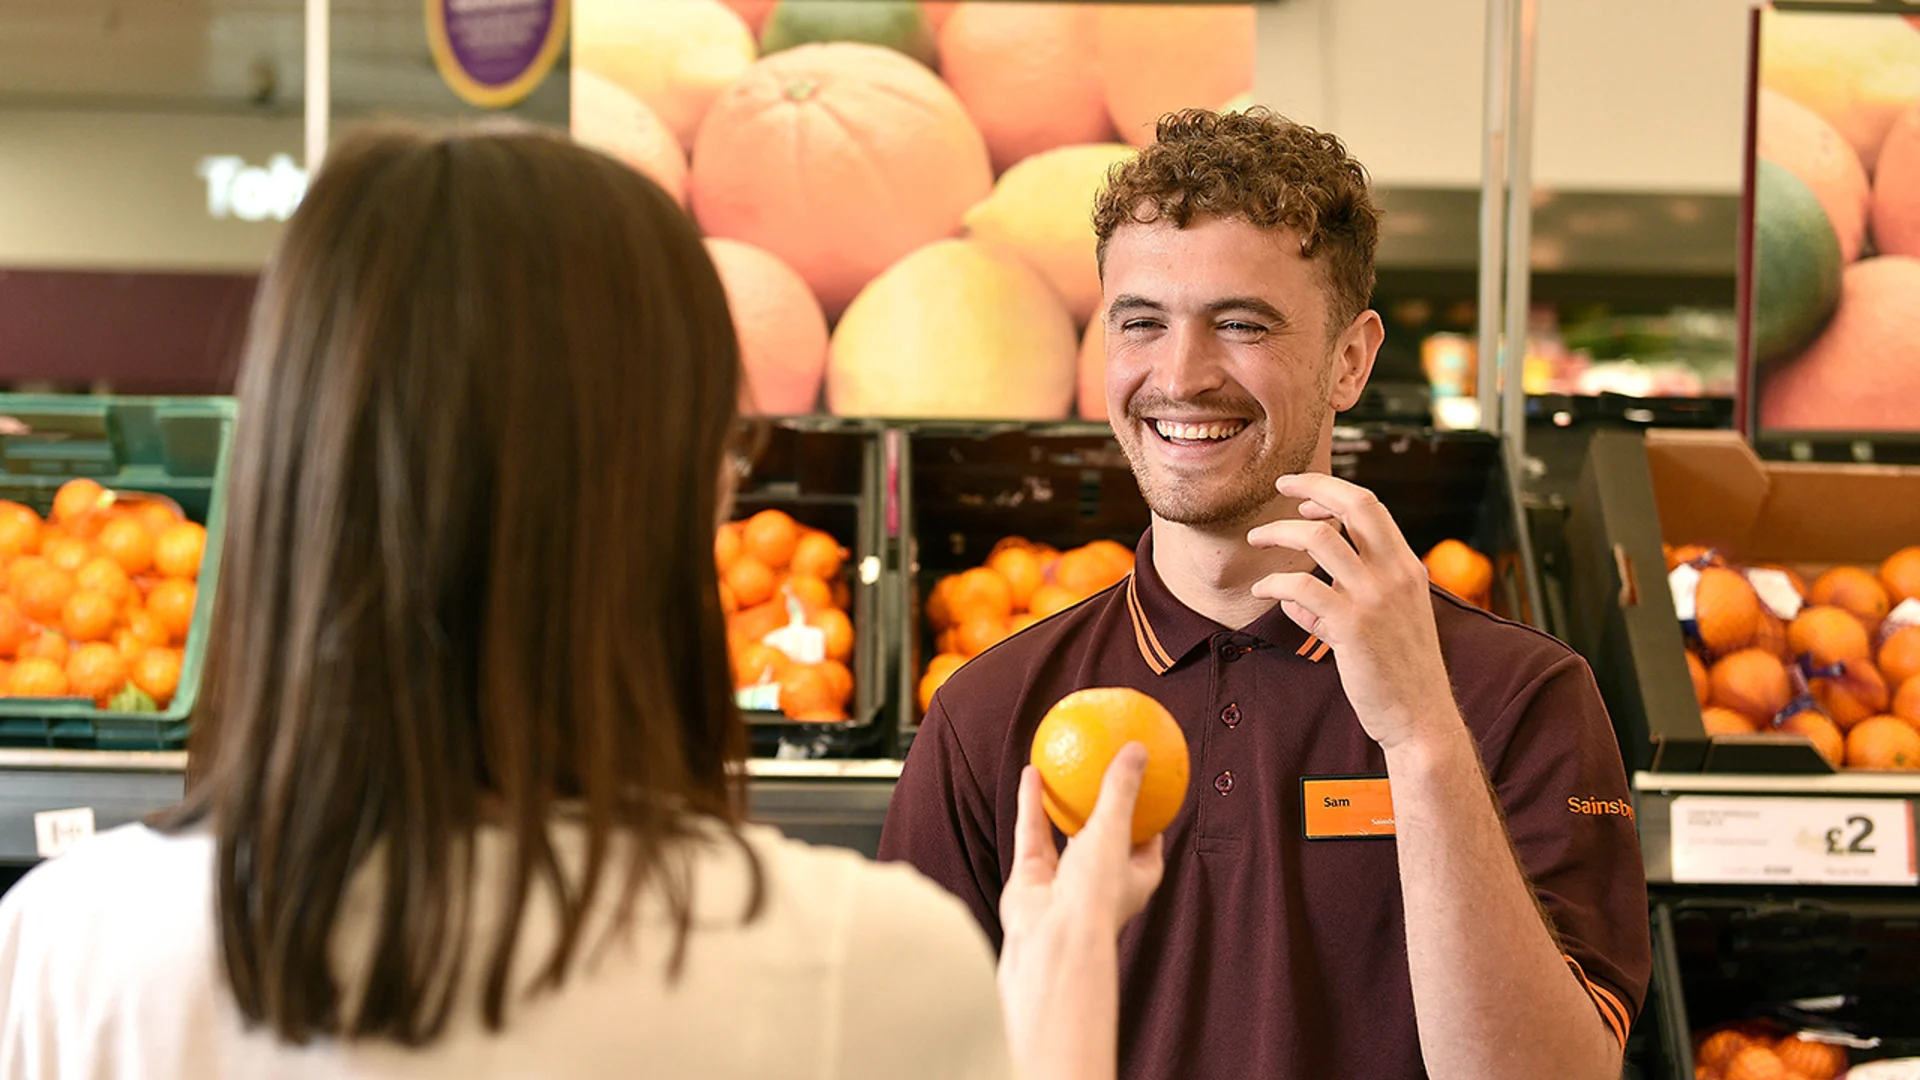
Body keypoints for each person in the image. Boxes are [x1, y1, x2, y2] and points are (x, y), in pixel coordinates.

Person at [0, 123, 1163, 1079]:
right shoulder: (858, 963)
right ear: (678, 480)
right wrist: (1060, 987)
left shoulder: (68, 942)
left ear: (290, 468)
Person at [880, 107, 1652, 1080]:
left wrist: (1420, 739)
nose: (1181, 376)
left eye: (1240, 325)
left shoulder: (1519, 699)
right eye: (1142, 324)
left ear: (1350, 361)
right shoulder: (990, 719)